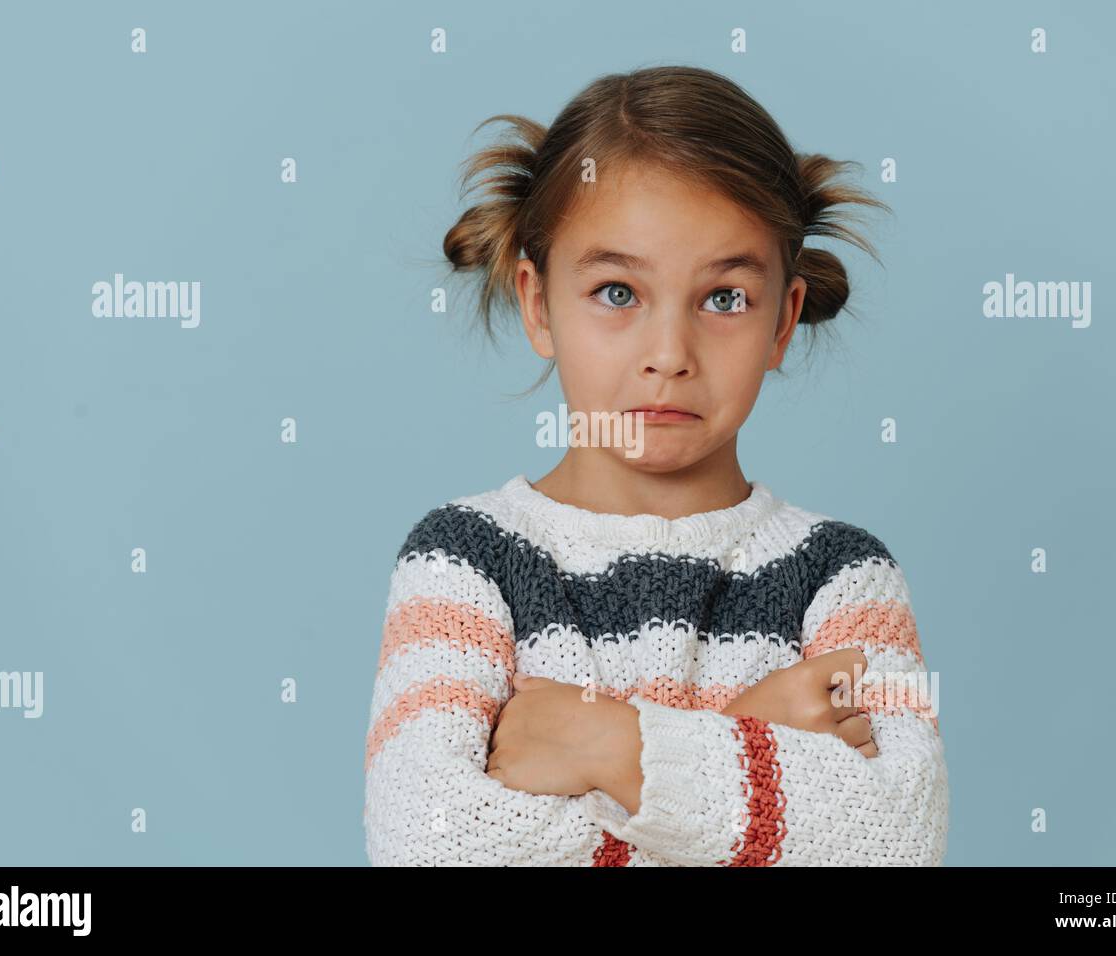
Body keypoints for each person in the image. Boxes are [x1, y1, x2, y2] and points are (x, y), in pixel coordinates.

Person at [363, 65, 949, 866]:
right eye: (615, 292)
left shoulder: (850, 577)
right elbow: (426, 840)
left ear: (783, 320)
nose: (669, 355)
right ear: (538, 303)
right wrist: (755, 735)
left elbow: (899, 838)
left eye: (724, 299)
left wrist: (609, 744)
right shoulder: (462, 560)